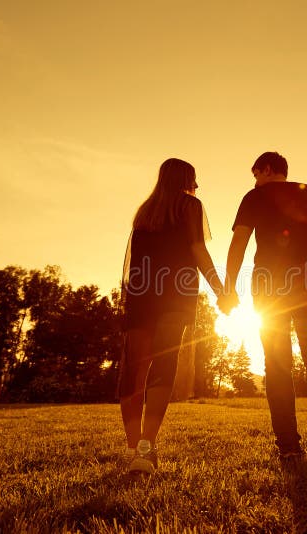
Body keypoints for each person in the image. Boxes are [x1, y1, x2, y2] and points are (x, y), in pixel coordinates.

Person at [224, 151, 307, 461]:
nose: (256, 181)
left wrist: (229, 286)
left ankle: (289, 447)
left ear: (266, 170)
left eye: (256, 174)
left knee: (277, 365)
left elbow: (238, 242)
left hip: (269, 286)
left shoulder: (254, 197)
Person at [118, 158, 228, 474]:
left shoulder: (145, 212)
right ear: (185, 179)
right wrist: (220, 290)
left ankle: (132, 447)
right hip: (176, 296)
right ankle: (146, 447)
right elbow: (198, 250)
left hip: (141, 296)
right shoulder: (190, 206)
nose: (197, 185)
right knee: (164, 364)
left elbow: (134, 264)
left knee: (134, 368)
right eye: (194, 179)